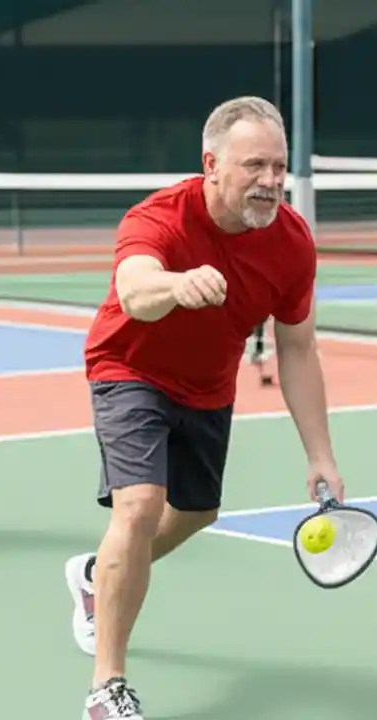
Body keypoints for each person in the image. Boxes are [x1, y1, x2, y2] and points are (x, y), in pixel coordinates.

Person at [64, 96, 345, 720]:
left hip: (209, 386)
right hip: (129, 368)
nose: (271, 181)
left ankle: (93, 574)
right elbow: (135, 291)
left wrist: (320, 454)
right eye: (255, 166)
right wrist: (177, 284)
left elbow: (298, 348)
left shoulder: (293, 243)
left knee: (197, 512)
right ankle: (106, 689)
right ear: (211, 164)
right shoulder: (159, 217)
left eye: (279, 166)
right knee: (137, 506)